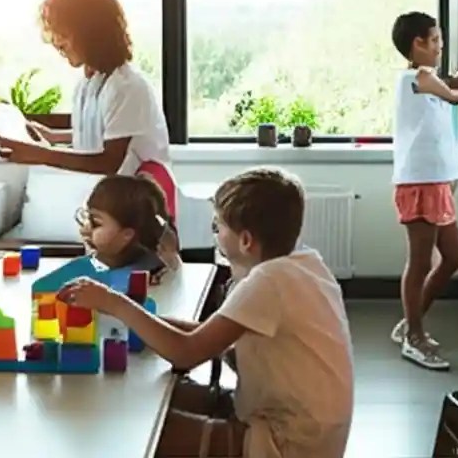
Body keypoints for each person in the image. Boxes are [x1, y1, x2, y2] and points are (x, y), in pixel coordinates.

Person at [60, 167, 354, 457]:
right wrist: (125, 313)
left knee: (145, 426)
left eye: (218, 226)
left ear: (246, 240)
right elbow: (208, 336)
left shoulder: (268, 282)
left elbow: (187, 352)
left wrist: (115, 303)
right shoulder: (303, 263)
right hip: (311, 428)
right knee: (156, 398)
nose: (215, 233)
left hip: (290, 440)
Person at [0, 0, 177, 214]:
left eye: (63, 33)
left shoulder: (127, 87)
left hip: (137, 213)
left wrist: (40, 155)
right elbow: (104, 133)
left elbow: (108, 160)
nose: (56, 42)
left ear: (90, 32)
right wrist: (53, 136)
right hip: (109, 209)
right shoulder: (88, 83)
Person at [387, 10, 458, 371]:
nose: (440, 48)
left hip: (435, 184)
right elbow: (456, 93)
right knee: (419, 261)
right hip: (418, 183)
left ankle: (410, 323)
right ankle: (414, 336)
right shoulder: (416, 78)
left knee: (454, 256)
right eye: (436, 42)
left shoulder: (427, 79)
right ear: (417, 44)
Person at [76, 174, 182, 277]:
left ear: (127, 235)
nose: (86, 228)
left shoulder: (133, 282)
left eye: (96, 223)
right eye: (87, 217)